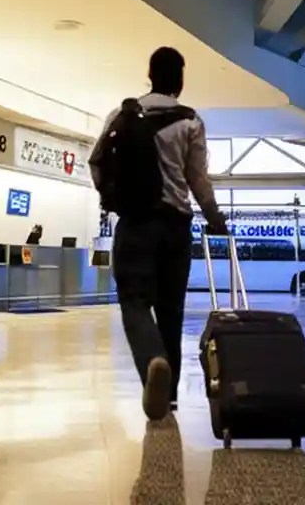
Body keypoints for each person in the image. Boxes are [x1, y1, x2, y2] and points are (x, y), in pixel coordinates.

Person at [90, 46, 227, 421]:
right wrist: (215, 218)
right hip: (175, 227)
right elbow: (198, 180)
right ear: (179, 81)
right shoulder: (190, 121)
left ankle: (153, 361)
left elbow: (98, 163)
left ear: (149, 73)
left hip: (134, 223)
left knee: (134, 301)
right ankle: (167, 400)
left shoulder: (121, 114)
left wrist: (111, 200)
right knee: (171, 311)